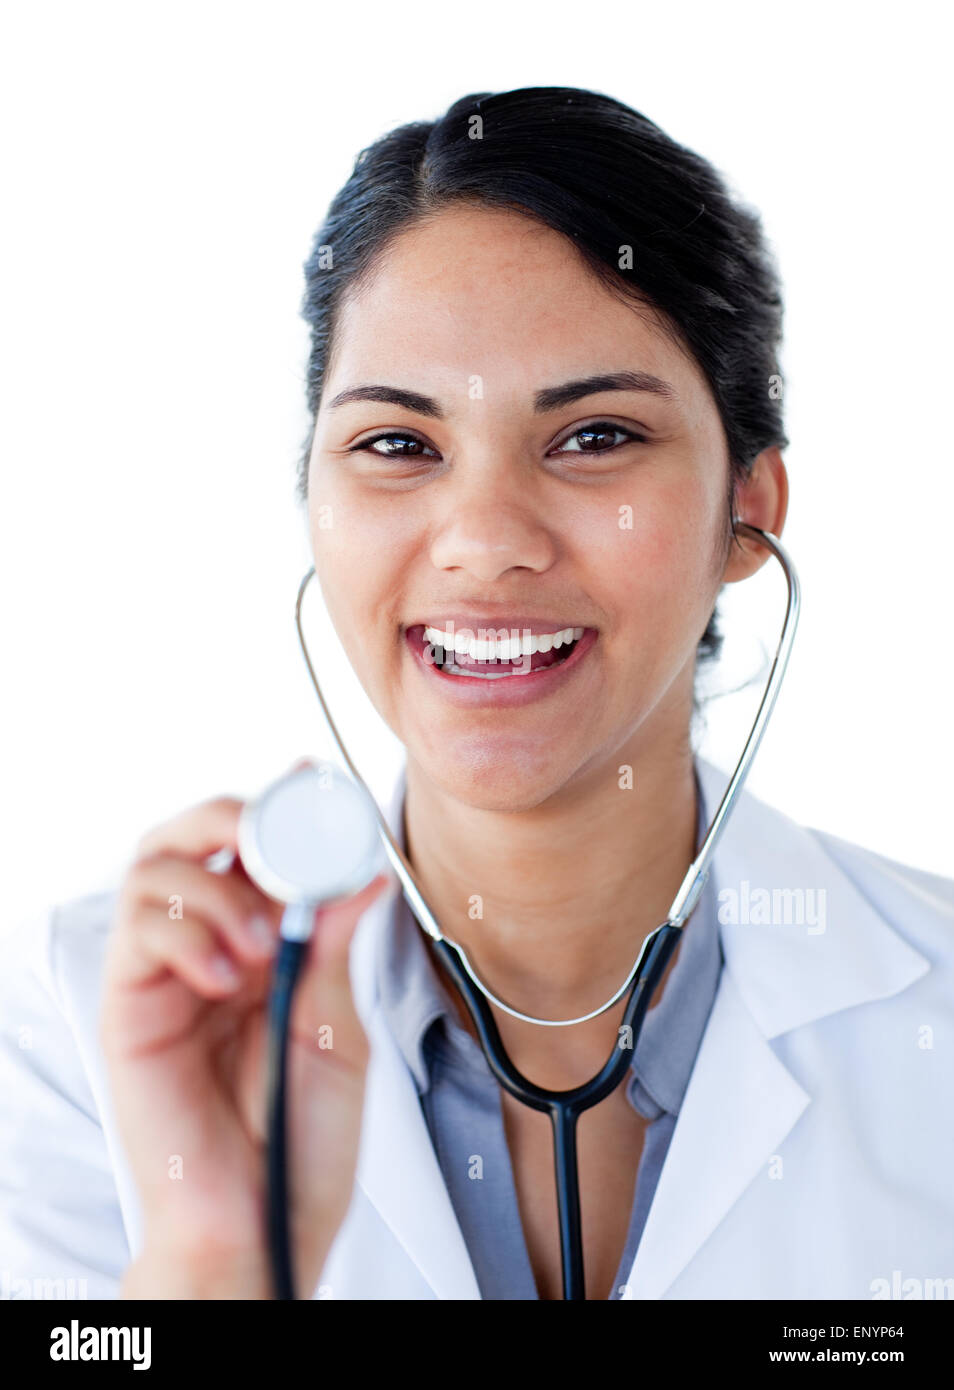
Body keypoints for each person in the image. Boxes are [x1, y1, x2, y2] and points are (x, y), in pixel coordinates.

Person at [2, 86, 952, 1303]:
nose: (484, 541)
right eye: (398, 444)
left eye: (595, 435)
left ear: (747, 514)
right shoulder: (75, 1025)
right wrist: (209, 1260)